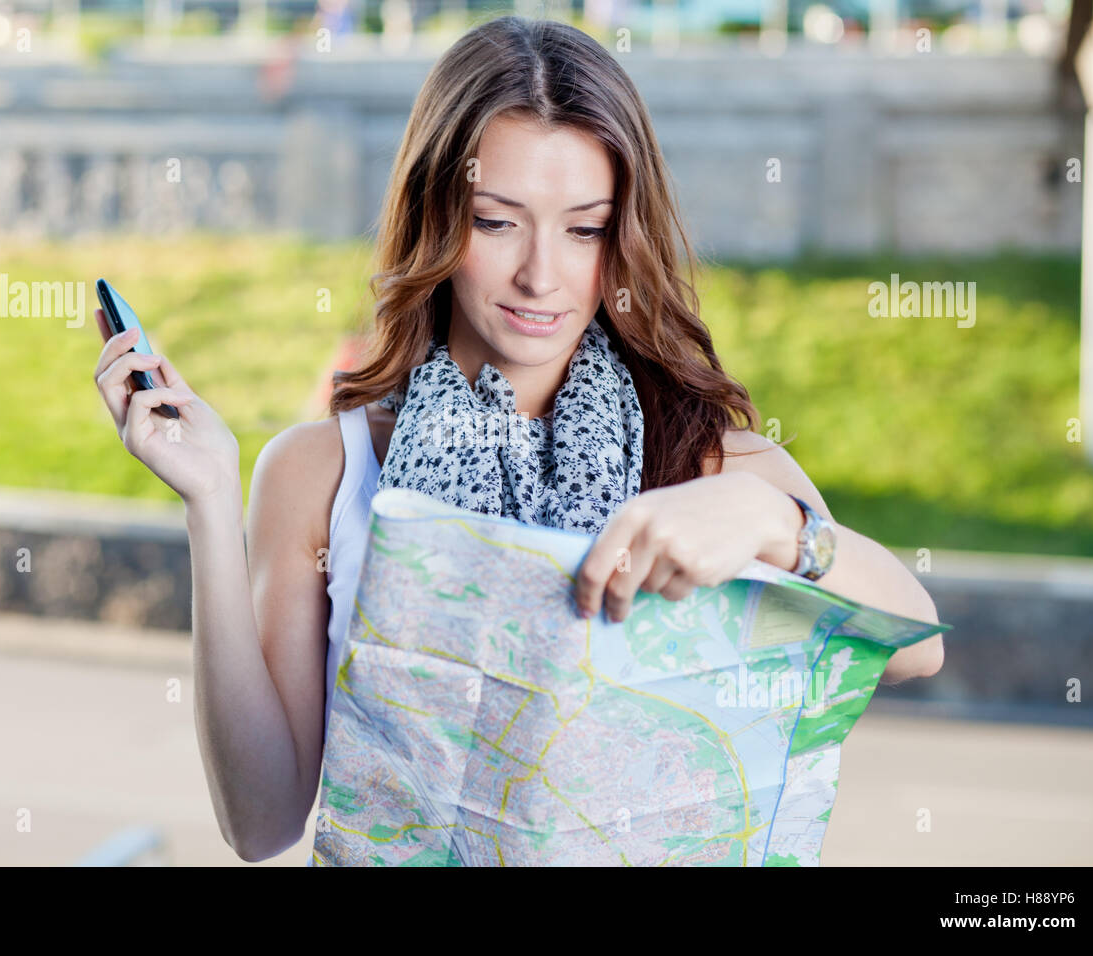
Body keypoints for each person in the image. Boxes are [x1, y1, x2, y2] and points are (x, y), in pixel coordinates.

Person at [91, 15, 944, 865]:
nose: (542, 274)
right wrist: (208, 502)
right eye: (497, 222)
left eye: (585, 229)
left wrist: (776, 525)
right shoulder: (322, 473)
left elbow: (919, 646)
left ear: (625, 234)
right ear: (435, 217)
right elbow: (262, 821)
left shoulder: (715, 469)